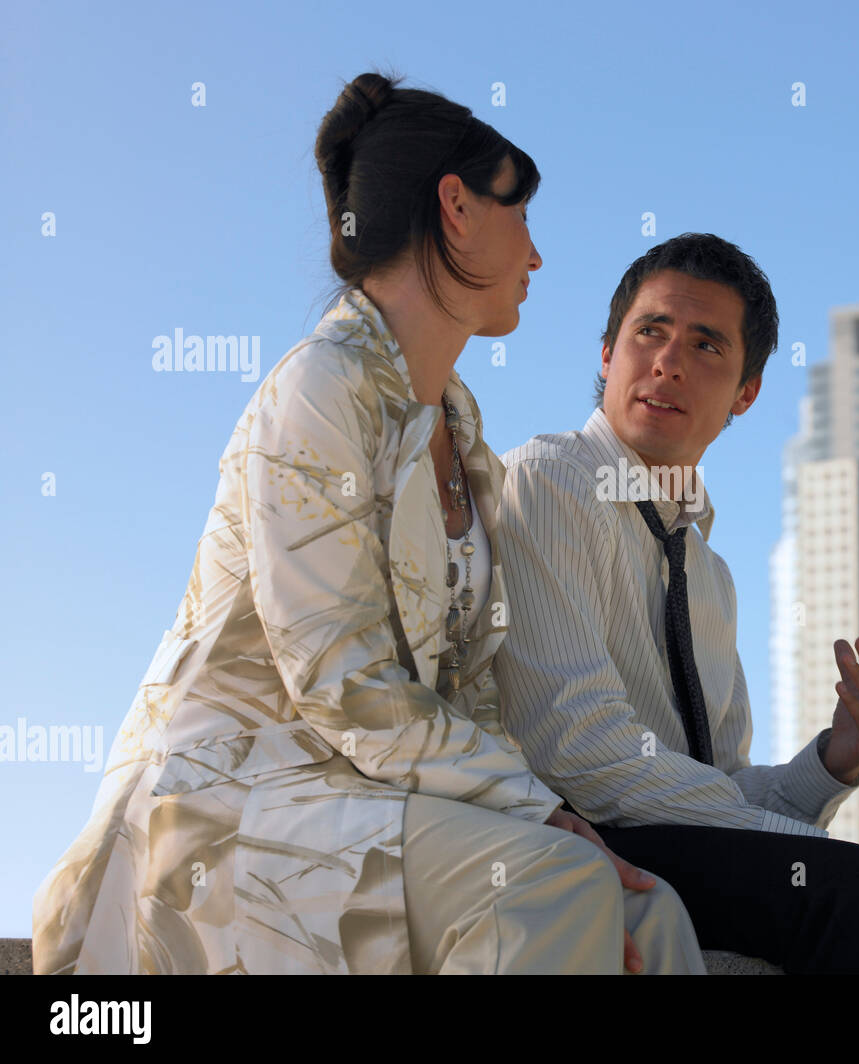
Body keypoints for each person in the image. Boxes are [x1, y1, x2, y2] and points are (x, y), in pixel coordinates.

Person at [31, 72, 703, 975]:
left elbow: (467, 698)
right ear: (456, 208)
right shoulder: (317, 389)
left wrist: (544, 812)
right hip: (238, 808)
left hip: (379, 809)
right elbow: (342, 682)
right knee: (553, 880)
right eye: (522, 214)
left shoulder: (461, 437)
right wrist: (539, 811)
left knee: (648, 908)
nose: (537, 255)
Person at [491, 232, 859, 974]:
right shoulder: (551, 482)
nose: (669, 361)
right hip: (574, 839)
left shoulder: (709, 573)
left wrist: (836, 761)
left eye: (707, 345)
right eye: (649, 331)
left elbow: (720, 784)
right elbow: (579, 749)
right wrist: (792, 843)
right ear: (607, 355)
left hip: (664, 844)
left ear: (747, 392)